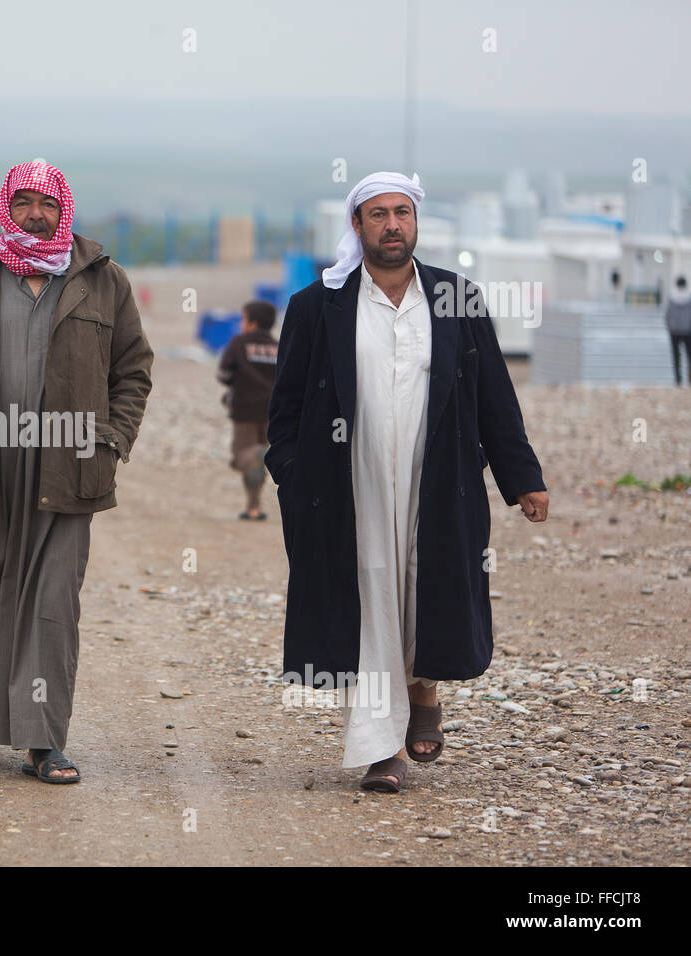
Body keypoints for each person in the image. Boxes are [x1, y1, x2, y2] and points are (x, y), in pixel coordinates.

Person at [265, 171, 549, 793]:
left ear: (416, 223)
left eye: (403, 213)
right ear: (357, 226)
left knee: (426, 594)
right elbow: (283, 407)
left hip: (438, 480)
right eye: (378, 215)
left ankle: (425, 694)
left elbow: (494, 397)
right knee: (367, 601)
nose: (392, 225)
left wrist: (521, 477)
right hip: (349, 486)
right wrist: (290, 473)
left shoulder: (456, 298)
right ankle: (381, 749)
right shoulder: (318, 305)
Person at [0, 161, 153, 783]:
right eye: (24, 202)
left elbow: (134, 368)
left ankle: (43, 741)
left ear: (64, 208)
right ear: (7, 207)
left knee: (50, 606)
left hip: (68, 465)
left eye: (47, 203)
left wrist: (113, 439)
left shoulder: (102, 280)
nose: (35, 213)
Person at [218, 300, 279, 520]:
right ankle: (254, 508)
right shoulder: (278, 346)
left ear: (252, 323)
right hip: (272, 412)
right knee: (258, 462)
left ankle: (254, 455)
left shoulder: (239, 343)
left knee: (241, 457)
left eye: (243, 319)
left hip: (244, 410)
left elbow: (223, 374)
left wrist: (234, 386)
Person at [666, 274, 691, 386]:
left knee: (676, 356)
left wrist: (670, 326)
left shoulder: (672, 297)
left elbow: (668, 314)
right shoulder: (689, 298)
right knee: (689, 356)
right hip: (688, 330)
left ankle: (678, 379)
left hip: (675, 331)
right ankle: (689, 379)